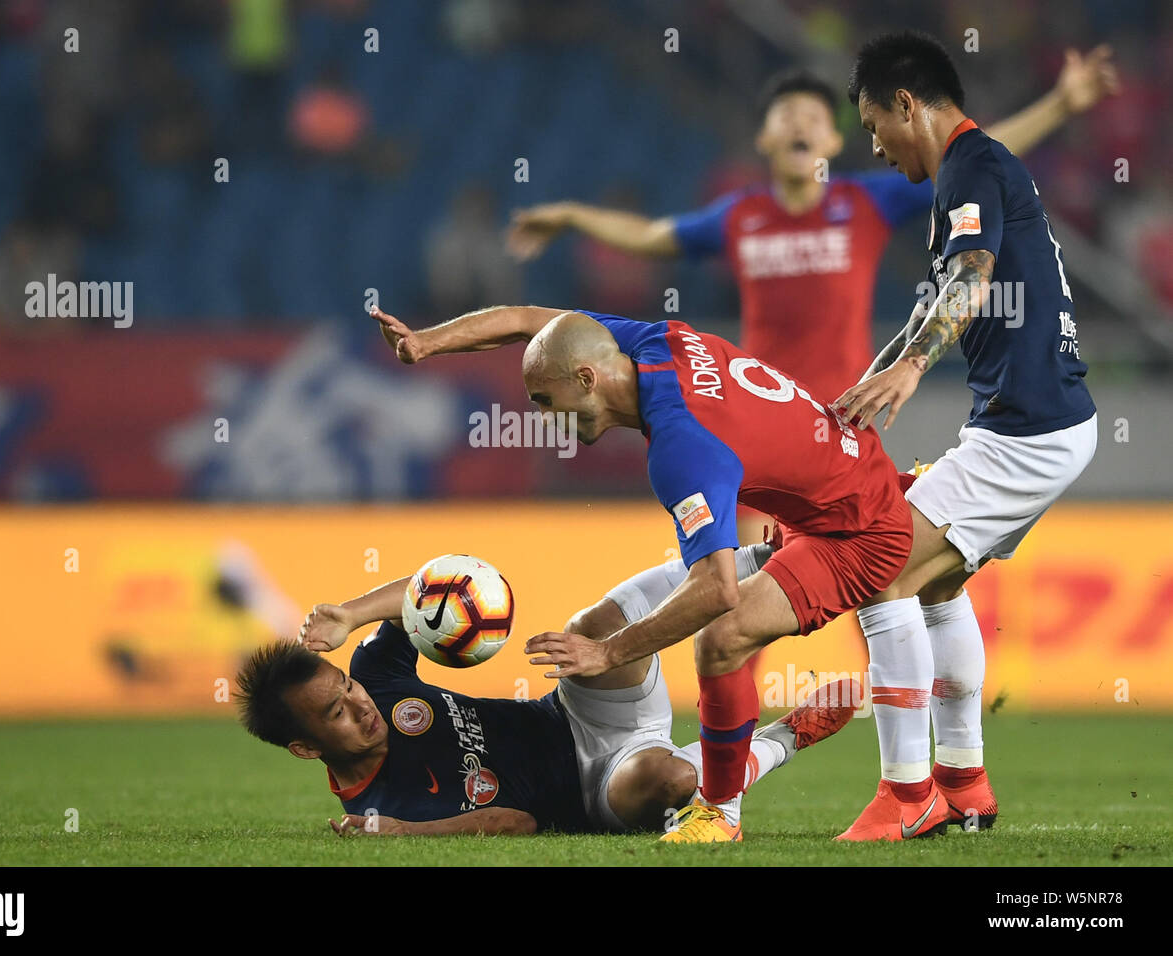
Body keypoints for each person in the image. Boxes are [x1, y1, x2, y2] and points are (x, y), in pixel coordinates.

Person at [507, 53, 1117, 543]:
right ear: (764, 138)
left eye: (814, 116)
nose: (799, 125)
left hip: (842, 419)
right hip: (756, 424)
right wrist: (570, 215)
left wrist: (1062, 104)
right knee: (746, 594)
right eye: (785, 115)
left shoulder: (868, 201)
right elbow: (650, 235)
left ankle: (896, 695)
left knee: (872, 568)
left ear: (833, 138)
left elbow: (966, 152)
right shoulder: (740, 217)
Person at [370, 303, 911, 843]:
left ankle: (719, 815)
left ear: (587, 378)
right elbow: (523, 319)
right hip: (836, 493)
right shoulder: (654, 342)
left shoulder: (681, 448)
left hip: (858, 534)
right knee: (711, 612)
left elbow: (716, 590)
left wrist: (608, 652)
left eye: (545, 401)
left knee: (721, 637)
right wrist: (427, 344)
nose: (542, 418)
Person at [828, 31, 1099, 842]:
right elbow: (938, 295)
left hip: (1027, 432)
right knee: (936, 589)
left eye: (876, 127)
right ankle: (965, 786)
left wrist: (910, 374)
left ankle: (905, 796)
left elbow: (972, 275)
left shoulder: (970, 166)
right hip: (1040, 426)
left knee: (877, 574)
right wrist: (880, 372)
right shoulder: (974, 166)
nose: (876, 148)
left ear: (908, 104)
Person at [235, 551, 859, 835]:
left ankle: (757, 557)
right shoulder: (384, 805)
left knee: (592, 630)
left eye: (346, 686)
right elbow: (518, 821)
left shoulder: (378, 681)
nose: (360, 704)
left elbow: (428, 588)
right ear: (304, 748)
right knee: (669, 783)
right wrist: (402, 833)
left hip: (575, 710)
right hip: (598, 790)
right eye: (336, 713)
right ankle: (787, 736)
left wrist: (348, 614)